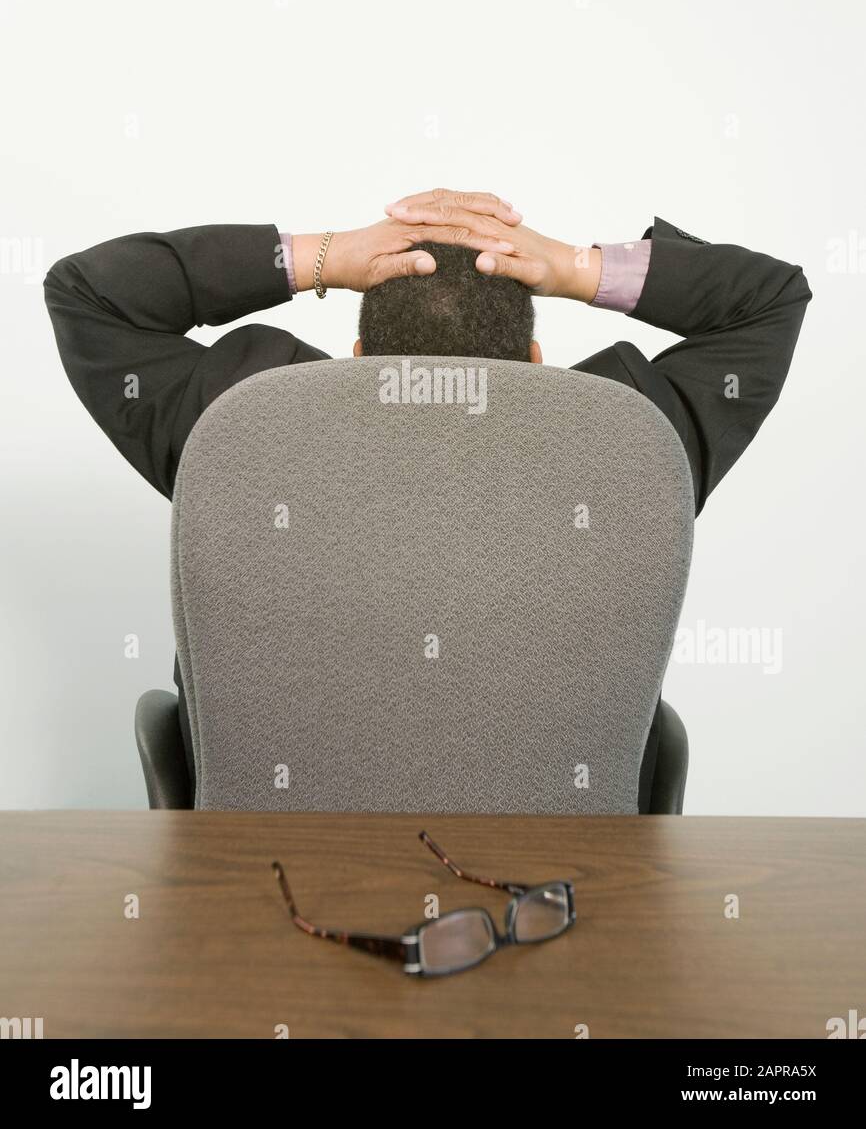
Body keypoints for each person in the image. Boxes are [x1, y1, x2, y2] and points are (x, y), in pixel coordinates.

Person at [44, 188, 811, 804]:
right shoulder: (628, 440)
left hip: (261, 891)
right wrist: (574, 267)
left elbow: (87, 294)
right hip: (566, 901)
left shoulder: (246, 412)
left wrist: (326, 258)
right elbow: (770, 298)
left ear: (356, 357)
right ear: (536, 360)